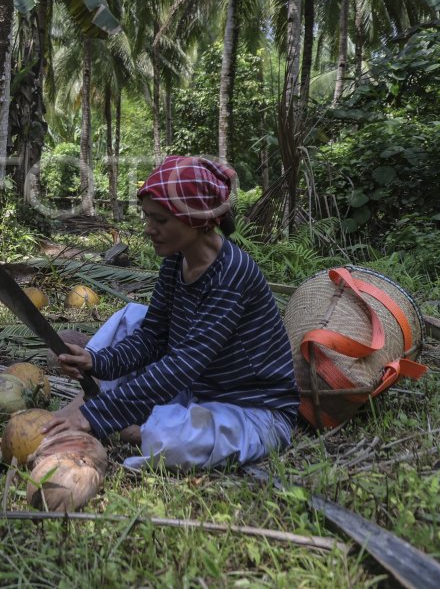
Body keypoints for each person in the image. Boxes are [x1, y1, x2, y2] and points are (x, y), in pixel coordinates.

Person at [44, 156, 300, 470]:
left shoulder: (232, 274)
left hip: (250, 409)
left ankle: (119, 417)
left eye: (161, 220)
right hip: (197, 388)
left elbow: (183, 363)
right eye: (148, 217)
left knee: (173, 442)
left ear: (194, 219)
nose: (150, 229)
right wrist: (97, 361)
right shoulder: (175, 263)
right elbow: (152, 338)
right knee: (131, 317)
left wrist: (95, 416)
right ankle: (109, 407)